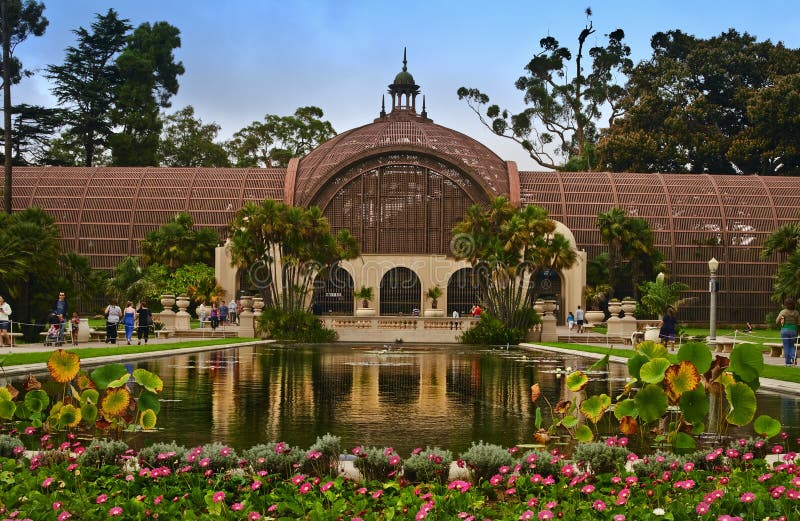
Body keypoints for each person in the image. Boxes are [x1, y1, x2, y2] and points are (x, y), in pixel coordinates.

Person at [776, 297, 800, 367]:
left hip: (784, 330)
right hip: (793, 330)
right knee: (792, 345)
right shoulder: (796, 312)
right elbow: (799, 323)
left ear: (786, 304)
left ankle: (788, 362)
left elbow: (777, 321)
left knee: (786, 346)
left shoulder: (783, 312)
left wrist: (782, 320)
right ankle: (794, 356)